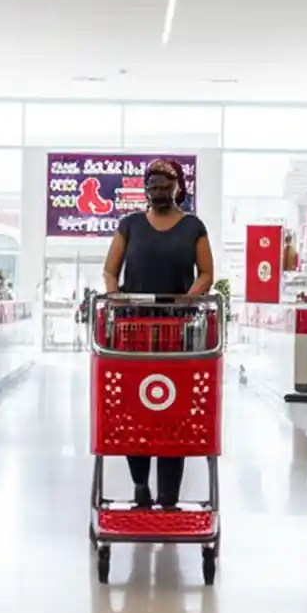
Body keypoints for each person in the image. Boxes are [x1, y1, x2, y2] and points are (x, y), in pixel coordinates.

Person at [102, 159, 214, 508]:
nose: (159, 189)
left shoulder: (193, 227)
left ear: (178, 186)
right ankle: (139, 484)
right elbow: (109, 269)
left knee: (174, 409)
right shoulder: (130, 225)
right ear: (145, 188)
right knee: (135, 408)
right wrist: (116, 297)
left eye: (166, 183)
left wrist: (185, 302)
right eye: (152, 183)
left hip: (176, 332)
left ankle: (169, 495)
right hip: (133, 330)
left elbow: (206, 273)